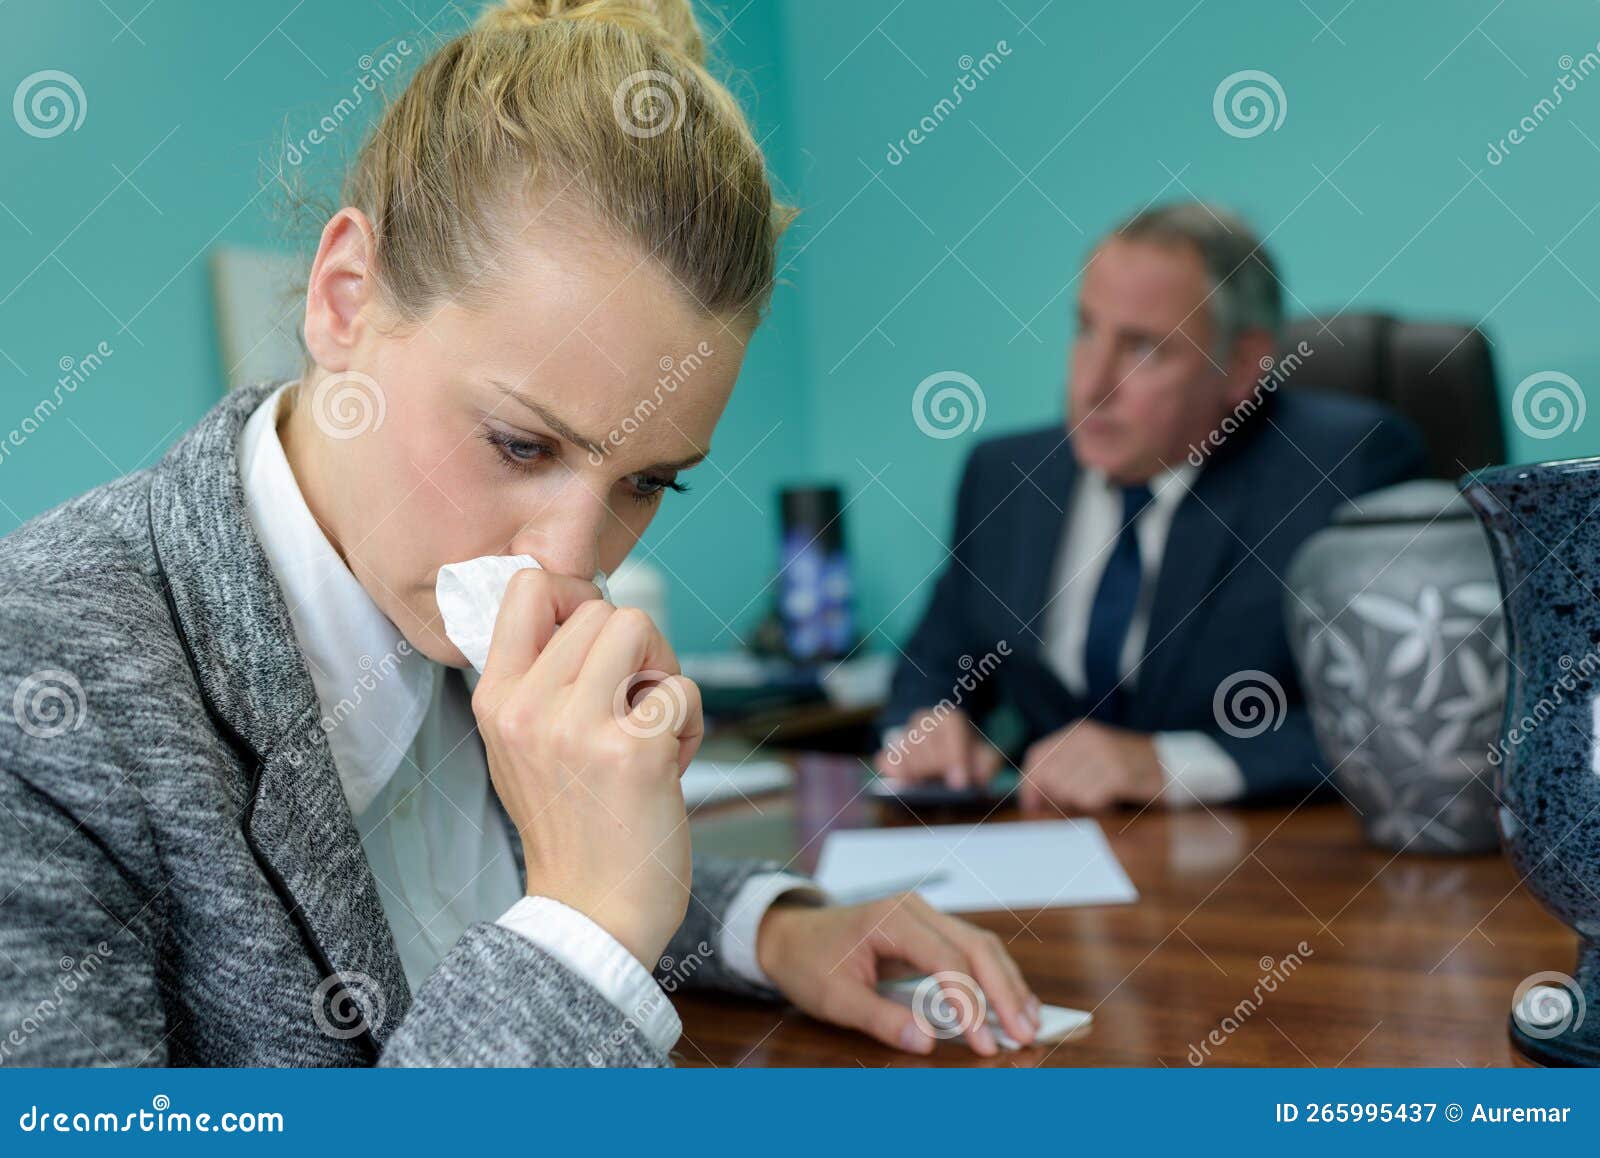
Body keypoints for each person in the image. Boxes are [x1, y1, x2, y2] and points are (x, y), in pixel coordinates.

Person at [0, 0, 1041, 1066]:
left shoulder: (422, 578)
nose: (568, 565)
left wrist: (765, 929)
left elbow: (473, 893)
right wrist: (586, 934)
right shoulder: (39, 680)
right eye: (519, 445)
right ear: (345, 298)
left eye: (647, 483)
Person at [877, 203, 1427, 813]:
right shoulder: (1004, 475)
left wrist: (1168, 765)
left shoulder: (1344, 465)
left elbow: (1402, 722)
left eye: (1142, 349)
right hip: (1048, 864)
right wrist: (926, 730)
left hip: (1257, 874)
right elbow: (933, 664)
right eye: (1086, 331)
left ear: (1242, 364)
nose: (1092, 385)